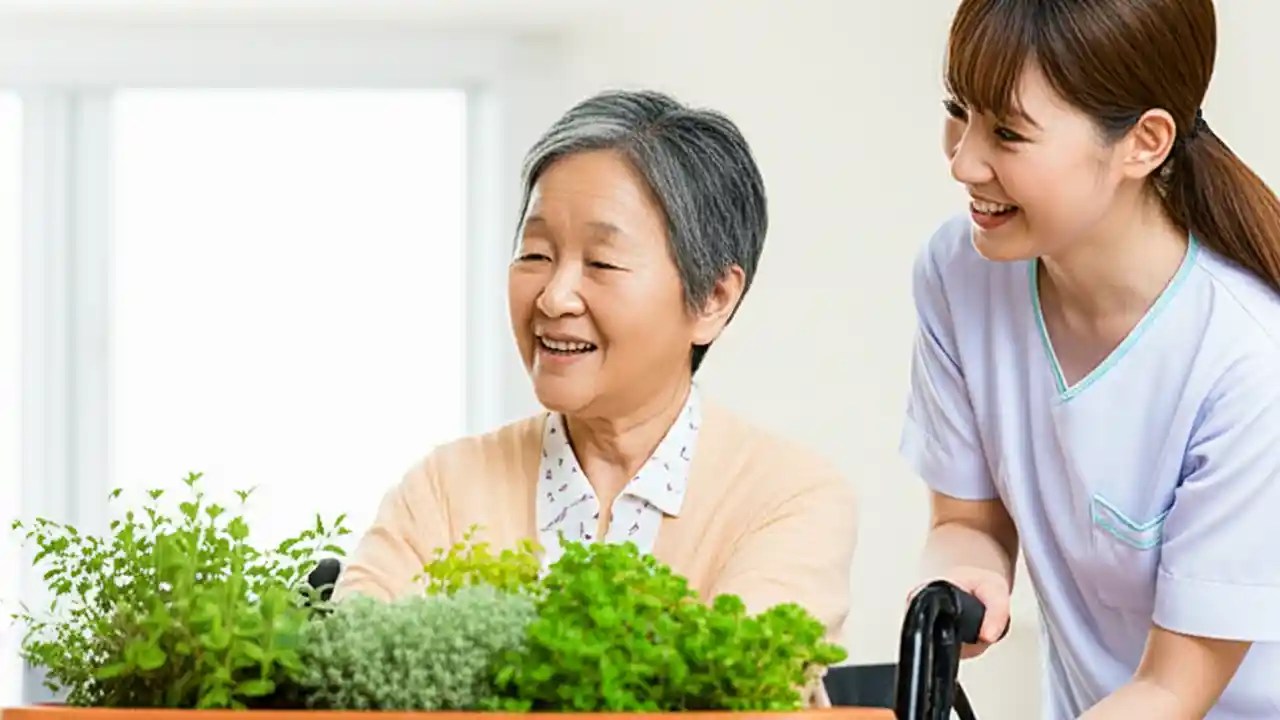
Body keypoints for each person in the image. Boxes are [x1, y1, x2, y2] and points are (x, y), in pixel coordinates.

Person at [335, 90, 859, 651]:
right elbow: (349, 672)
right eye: (535, 254)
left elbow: (743, 693)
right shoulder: (444, 488)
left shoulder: (788, 498)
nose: (554, 297)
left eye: (602, 262)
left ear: (713, 297)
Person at [902, 1, 1280, 717]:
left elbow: (1172, 690)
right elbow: (967, 522)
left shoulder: (1249, 365)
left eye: (1008, 133)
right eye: (960, 111)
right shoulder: (959, 275)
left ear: (1144, 143)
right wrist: (963, 581)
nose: (964, 160)